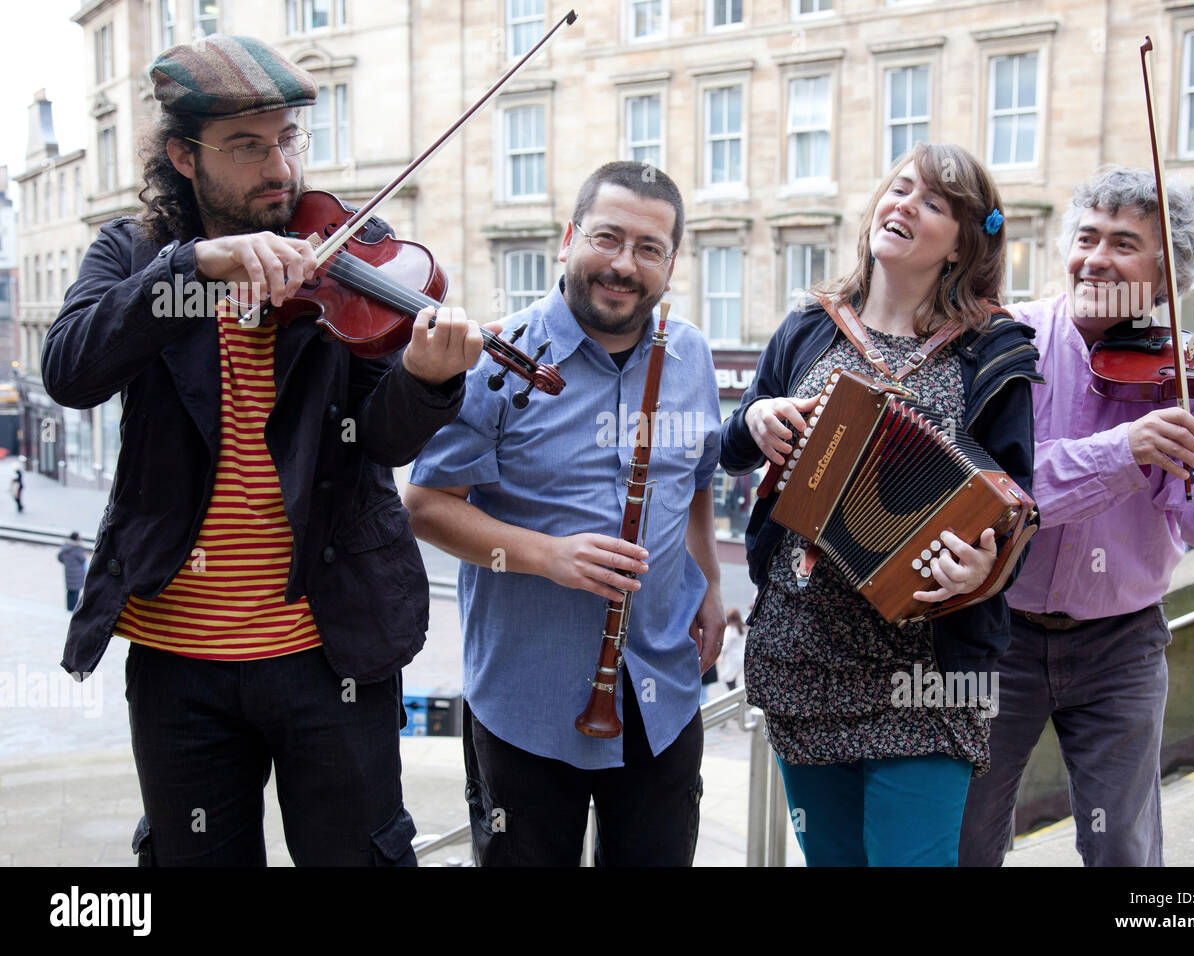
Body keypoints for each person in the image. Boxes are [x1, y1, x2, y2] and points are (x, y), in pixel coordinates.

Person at [41, 34, 482, 866]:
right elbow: (71, 370)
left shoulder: (350, 246)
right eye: (247, 146)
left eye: (287, 139)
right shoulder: (137, 257)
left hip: (329, 647)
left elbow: (375, 441)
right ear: (183, 155)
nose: (278, 165)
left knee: (359, 855)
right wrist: (196, 266)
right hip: (179, 660)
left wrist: (425, 382)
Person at [959, 166, 1194, 867]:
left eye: (1123, 242)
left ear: (1165, 277)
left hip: (1122, 645)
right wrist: (1121, 451)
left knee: (1124, 847)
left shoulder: (1184, 370)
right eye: (1087, 236)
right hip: (999, 630)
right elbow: (996, 491)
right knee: (969, 834)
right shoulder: (1007, 342)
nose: (1096, 257)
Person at [720, 142, 1040, 867]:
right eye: (900, 188)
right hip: (807, 660)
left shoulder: (992, 352)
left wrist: (980, 571)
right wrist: (753, 420)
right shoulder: (810, 327)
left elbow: (1018, 518)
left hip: (928, 675)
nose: (905, 206)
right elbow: (727, 450)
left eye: (933, 203)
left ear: (963, 244)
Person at [404, 161, 724, 867]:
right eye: (607, 238)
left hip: (661, 696)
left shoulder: (692, 354)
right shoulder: (493, 358)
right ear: (568, 238)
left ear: (671, 264)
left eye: (648, 249)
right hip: (527, 704)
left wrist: (710, 583)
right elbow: (426, 506)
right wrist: (546, 555)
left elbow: (697, 477)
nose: (622, 264)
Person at [57, 531, 87, 612]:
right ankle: (73, 609)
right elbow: (83, 559)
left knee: (69, 591)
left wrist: (67, 563)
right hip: (77, 573)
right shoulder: (78, 548)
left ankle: (68, 608)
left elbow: (59, 557)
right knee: (76, 591)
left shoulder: (65, 547)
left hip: (68, 572)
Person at [718, 607, 746, 691]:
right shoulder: (743, 628)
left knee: (729, 681)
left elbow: (724, 646)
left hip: (731, 659)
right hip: (741, 656)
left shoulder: (729, 630)